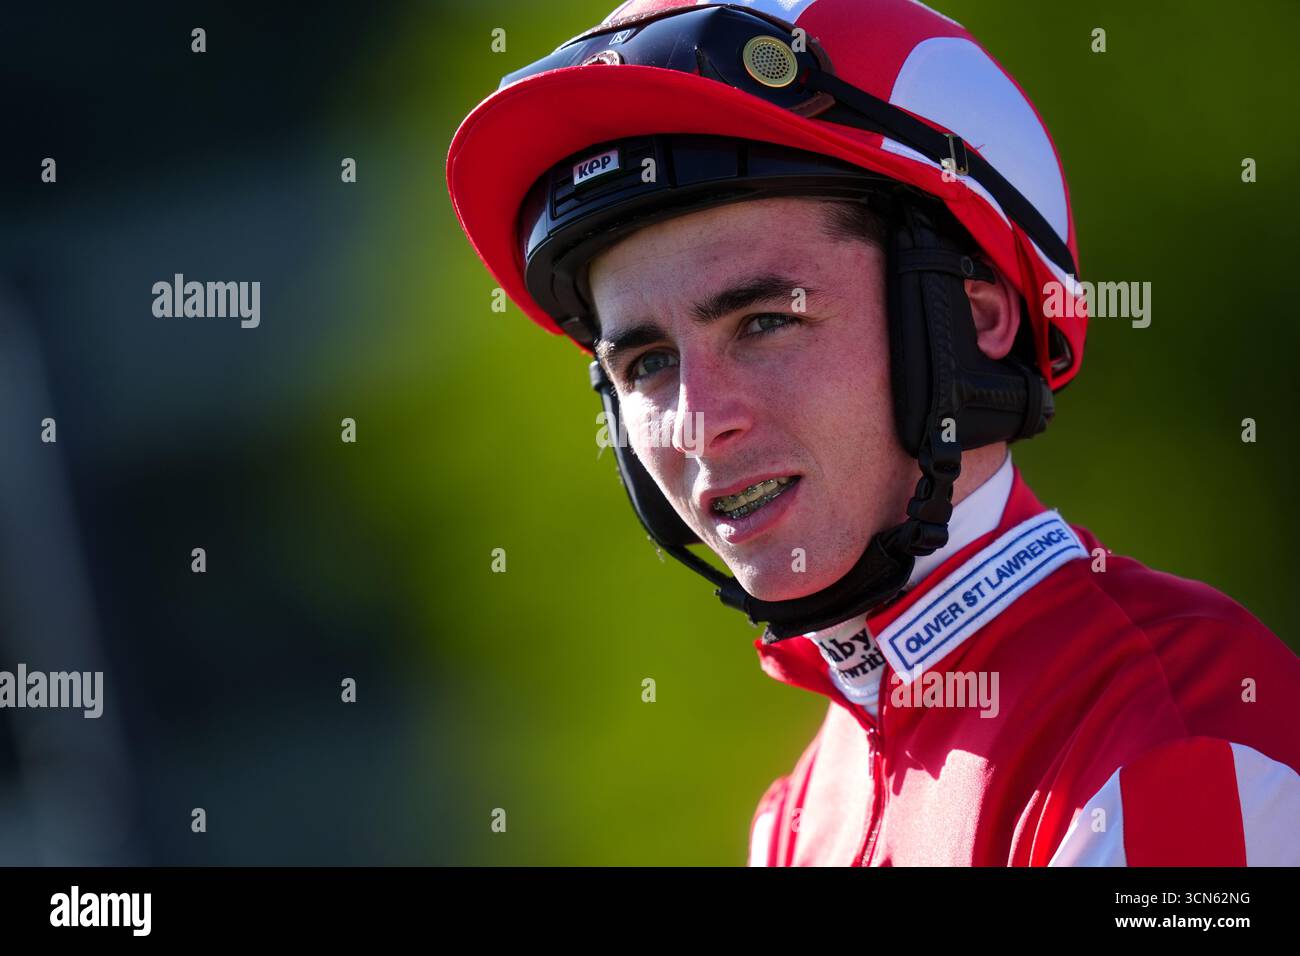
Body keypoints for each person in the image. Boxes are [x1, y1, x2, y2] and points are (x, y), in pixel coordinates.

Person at [446, 0, 1300, 865]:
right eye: (646, 366)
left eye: (765, 321)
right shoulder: (795, 815)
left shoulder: (1177, 736)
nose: (699, 419)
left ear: (975, 318)